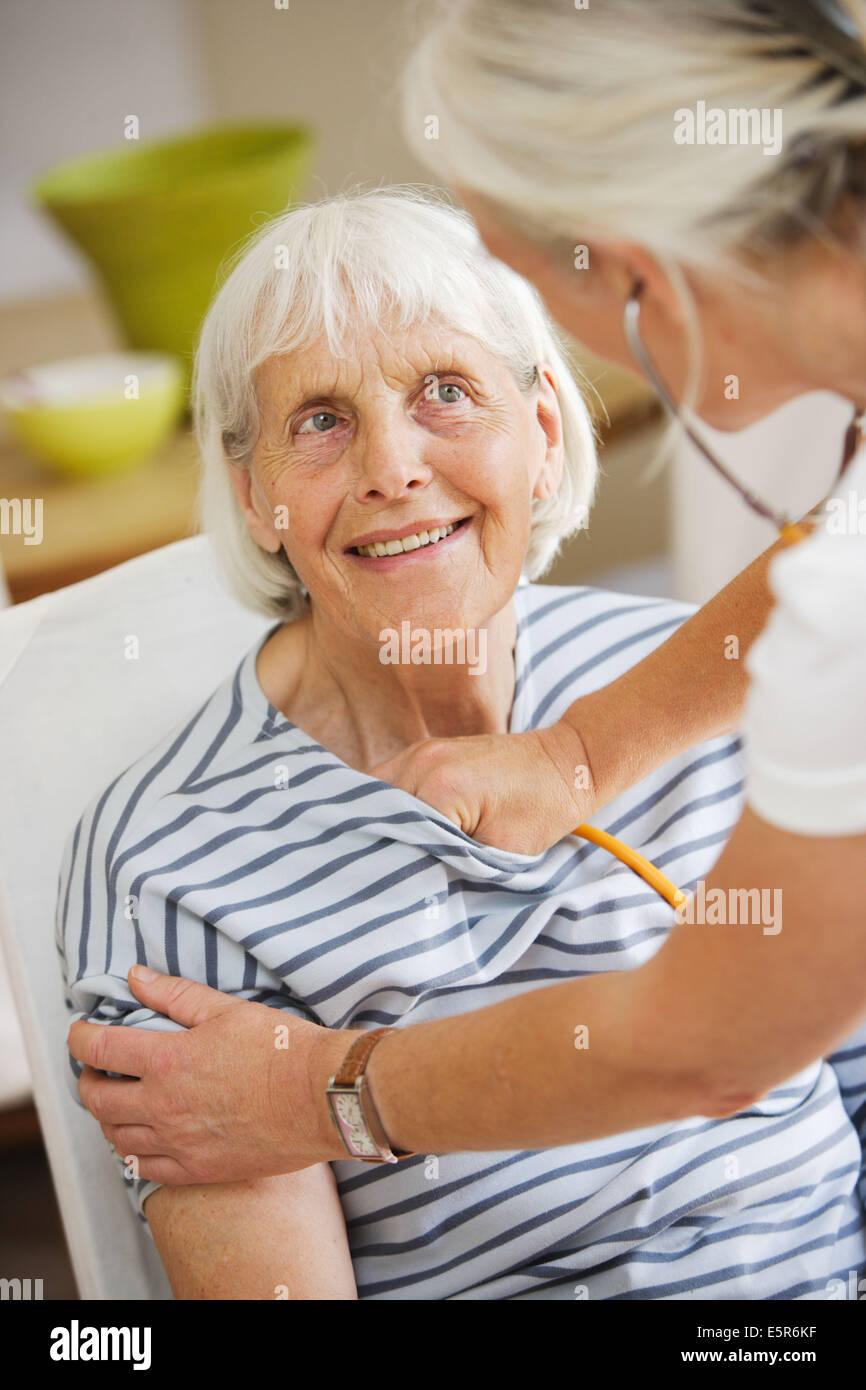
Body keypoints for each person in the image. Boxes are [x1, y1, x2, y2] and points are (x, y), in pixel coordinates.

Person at [68, 0, 866, 1292]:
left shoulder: (759, 689)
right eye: (319, 418)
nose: (392, 469)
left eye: (448, 390)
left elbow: (708, 1044)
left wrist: (323, 1090)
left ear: (546, 426)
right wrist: (580, 752)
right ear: (251, 485)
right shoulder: (172, 866)